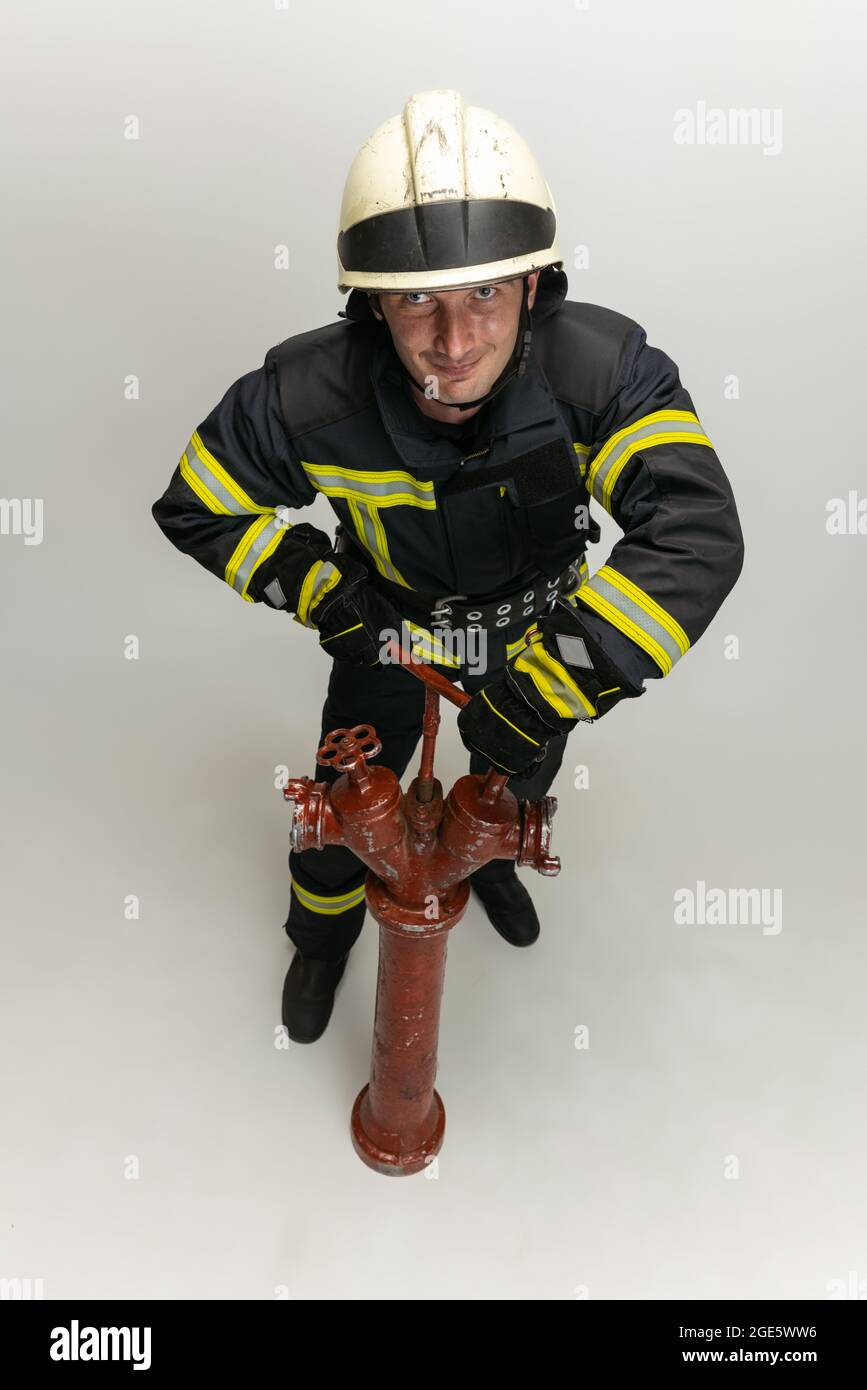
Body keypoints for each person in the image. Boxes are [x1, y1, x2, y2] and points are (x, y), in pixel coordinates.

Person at [151, 89, 745, 1043]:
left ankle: (488, 859)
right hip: (384, 627)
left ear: (534, 288)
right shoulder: (304, 396)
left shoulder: (605, 375)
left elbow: (696, 532)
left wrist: (557, 683)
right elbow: (197, 503)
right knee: (345, 803)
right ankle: (319, 937)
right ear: (371, 304)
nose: (454, 341)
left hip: (539, 638)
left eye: (484, 295)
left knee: (514, 784)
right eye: (417, 299)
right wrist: (324, 594)